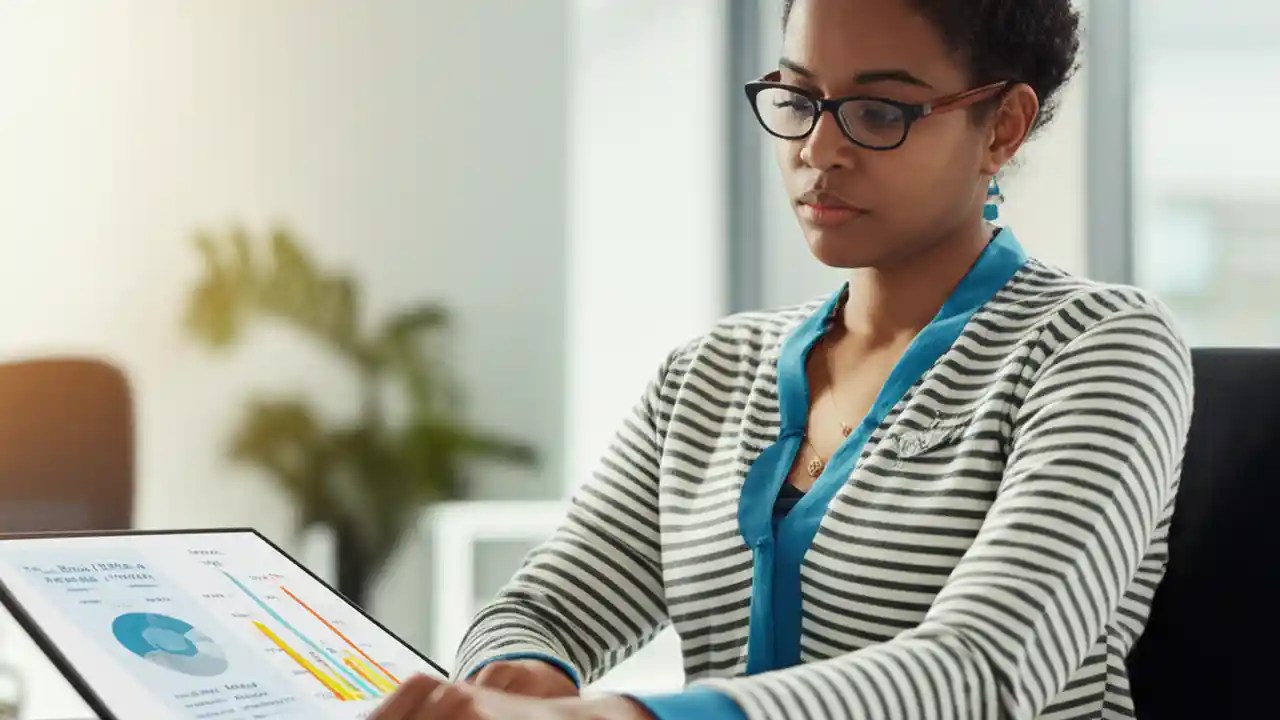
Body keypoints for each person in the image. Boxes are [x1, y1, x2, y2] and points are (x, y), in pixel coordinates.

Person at [372, 0, 1193, 718]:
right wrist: (523, 682)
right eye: (800, 99)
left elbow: (986, 670)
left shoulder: (1099, 348)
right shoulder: (713, 372)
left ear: (1003, 126)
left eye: (878, 112)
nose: (817, 149)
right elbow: (541, 609)